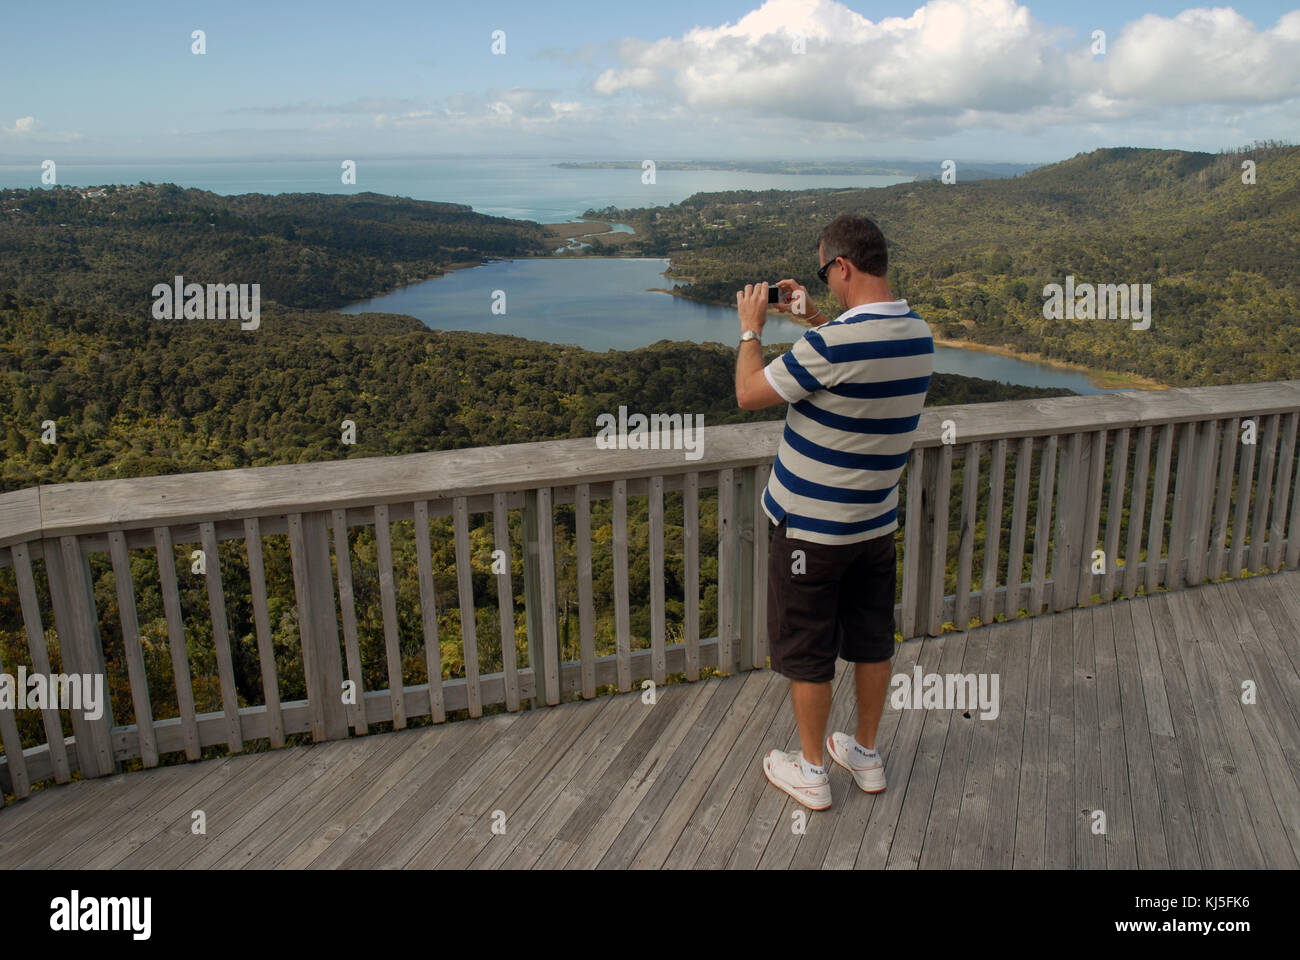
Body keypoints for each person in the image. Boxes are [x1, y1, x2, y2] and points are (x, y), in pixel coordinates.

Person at [733, 213, 933, 811]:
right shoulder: (916, 333)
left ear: (842, 265)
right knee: (872, 641)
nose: (827, 282)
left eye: (825, 273)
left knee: (809, 649)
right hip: (874, 526)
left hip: (810, 533)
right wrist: (816, 317)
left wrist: (751, 330)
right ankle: (866, 755)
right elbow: (854, 360)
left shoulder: (833, 344)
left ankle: (812, 770)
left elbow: (748, 393)